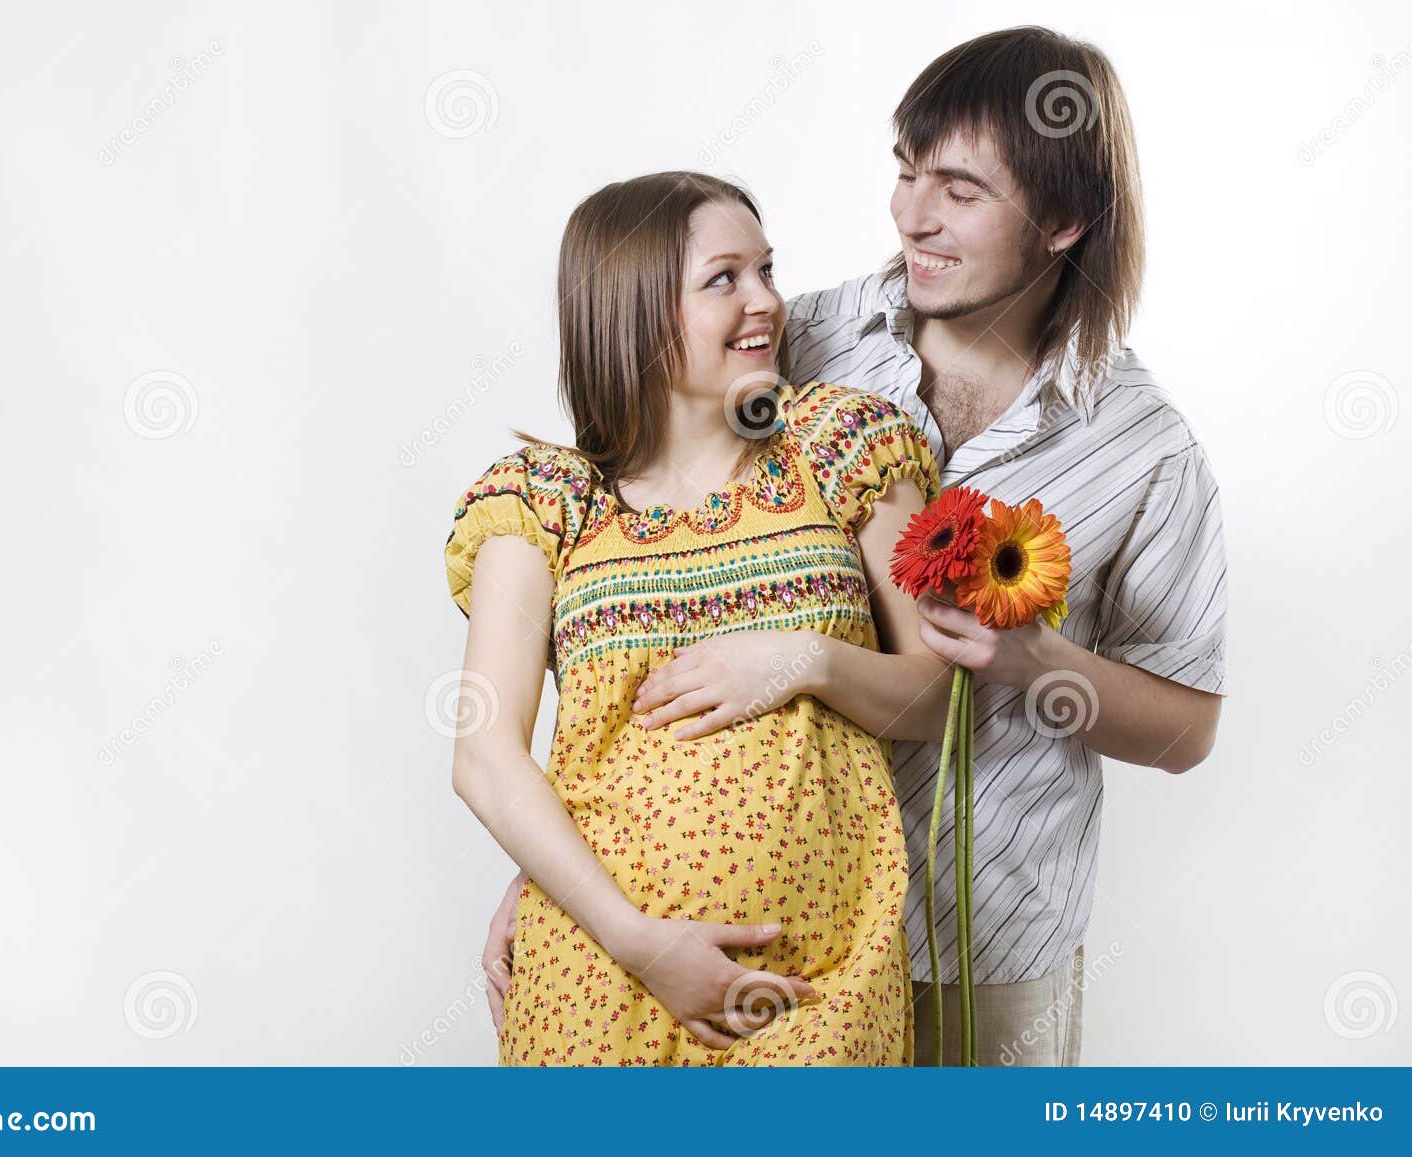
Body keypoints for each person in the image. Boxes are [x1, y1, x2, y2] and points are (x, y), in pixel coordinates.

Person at [482, 26, 1228, 1066]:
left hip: (987, 935)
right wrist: (567, 873)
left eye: (960, 191)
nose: (910, 214)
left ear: (1062, 219)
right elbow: (642, 575)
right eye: (905, 170)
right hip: (761, 936)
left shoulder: (1144, 448)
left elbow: (1186, 728)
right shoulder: (795, 342)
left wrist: (1031, 660)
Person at [445, 170, 954, 1064]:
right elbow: (485, 757)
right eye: (725, 279)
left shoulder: (840, 449)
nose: (766, 301)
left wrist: (807, 658)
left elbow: (938, 700)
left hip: (818, 978)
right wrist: (641, 942)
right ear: (634, 311)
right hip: (598, 968)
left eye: (766, 270)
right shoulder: (543, 504)